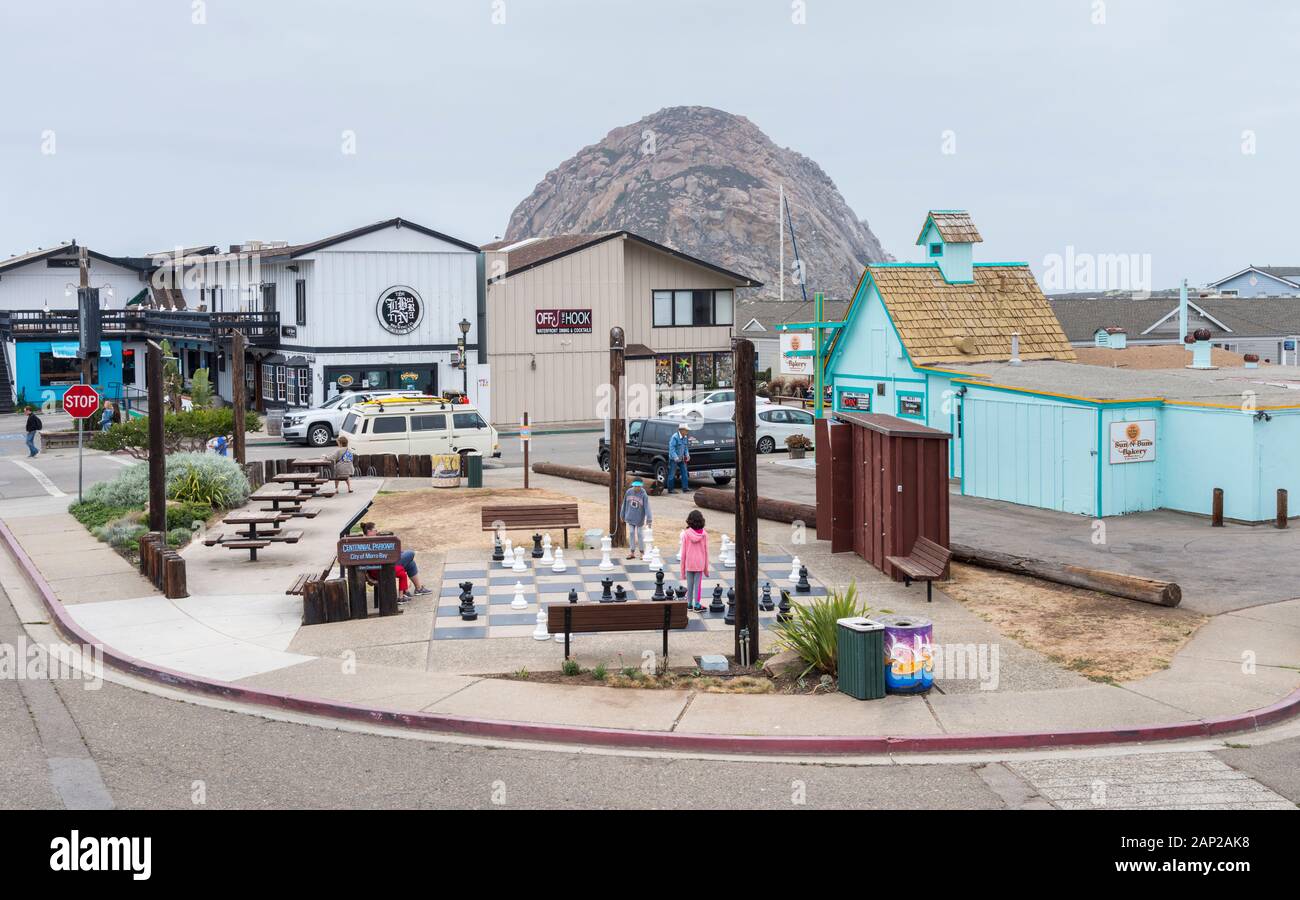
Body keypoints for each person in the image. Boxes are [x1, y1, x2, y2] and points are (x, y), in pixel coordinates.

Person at [360, 521, 431, 596]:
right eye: (375, 530)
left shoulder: (373, 540)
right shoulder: (367, 542)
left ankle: (418, 588)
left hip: (384, 564)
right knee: (410, 553)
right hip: (382, 568)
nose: (377, 532)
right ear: (369, 531)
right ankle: (407, 590)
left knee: (410, 563)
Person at [679, 509, 710, 612]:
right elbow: (706, 552)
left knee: (689, 584)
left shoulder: (686, 534)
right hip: (700, 563)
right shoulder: (704, 534)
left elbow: (683, 553)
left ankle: (689, 604)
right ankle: (697, 605)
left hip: (689, 563)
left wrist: (682, 571)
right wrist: (706, 569)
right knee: (698, 585)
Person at [620, 479, 653, 559]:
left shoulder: (643, 494)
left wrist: (649, 520)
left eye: (638, 486)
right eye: (635, 486)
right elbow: (624, 504)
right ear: (633, 485)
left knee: (639, 533)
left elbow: (647, 507)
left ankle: (642, 551)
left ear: (641, 486)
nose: (637, 488)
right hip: (630, 516)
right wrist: (622, 515)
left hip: (639, 518)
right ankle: (632, 552)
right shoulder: (628, 492)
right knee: (631, 533)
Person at [666, 422, 691, 494]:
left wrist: (687, 455)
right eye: (686, 430)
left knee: (684, 473)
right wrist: (675, 457)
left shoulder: (685, 437)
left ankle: (685, 488)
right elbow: (671, 449)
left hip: (682, 458)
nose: (687, 432)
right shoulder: (674, 437)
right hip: (674, 459)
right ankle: (670, 489)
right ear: (681, 430)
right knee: (672, 474)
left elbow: (685, 447)